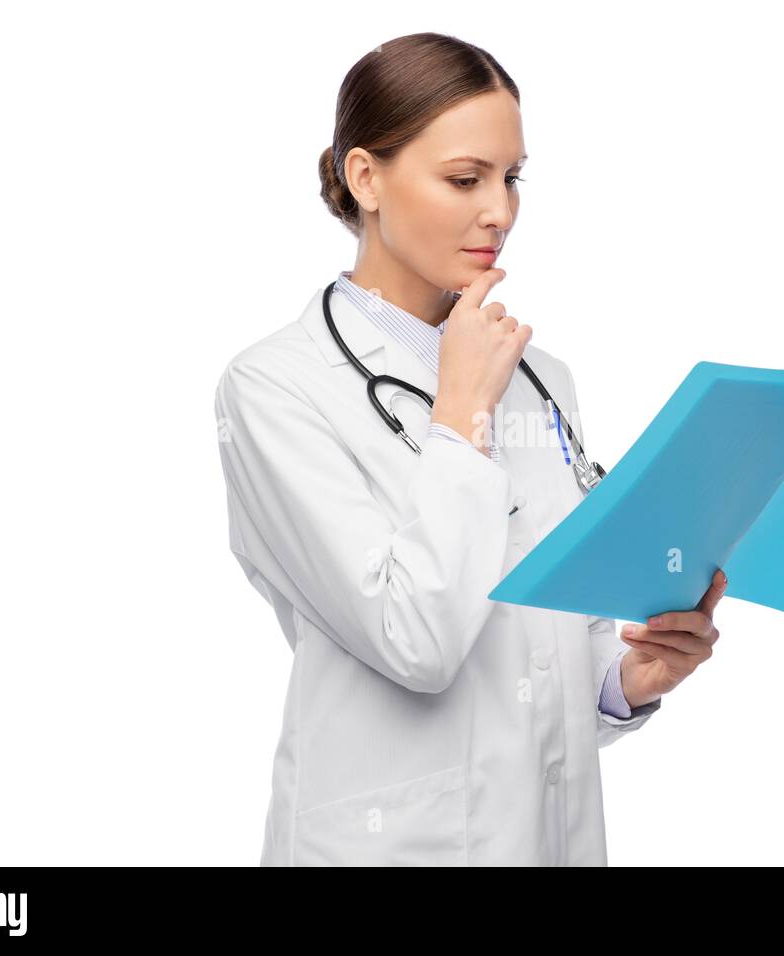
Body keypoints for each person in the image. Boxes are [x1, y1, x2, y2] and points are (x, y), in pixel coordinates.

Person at [214, 31, 725, 866]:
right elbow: (415, 640)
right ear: (365, 177)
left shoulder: (541, 377)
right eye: (465, 179)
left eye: (512, 177)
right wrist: (460, 414)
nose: (501, 211)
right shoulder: (275, 388)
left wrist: (626, 680)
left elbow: (546, 631)